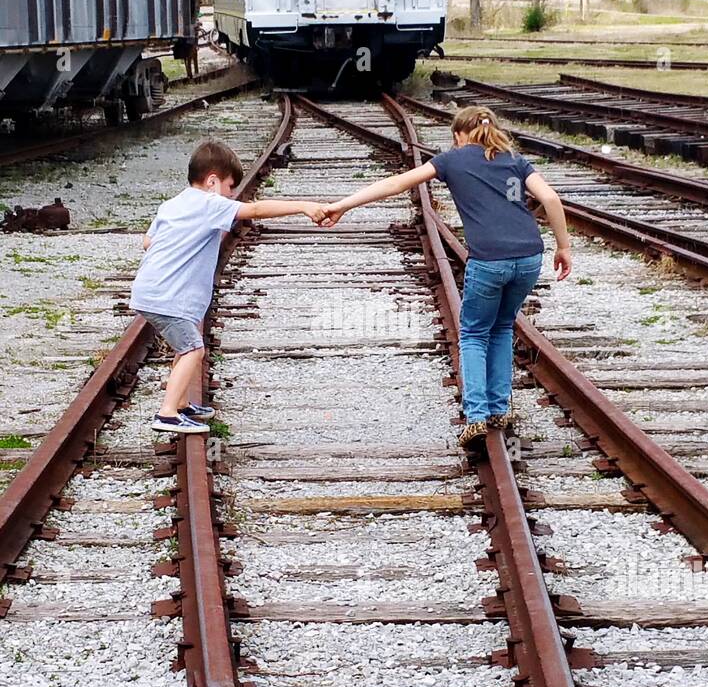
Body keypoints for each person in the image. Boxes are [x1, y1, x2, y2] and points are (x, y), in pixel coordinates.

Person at [322, 105, 572, 453]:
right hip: (529, 257)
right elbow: (550, 198)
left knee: (472, 333)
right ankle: (499, 409)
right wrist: (564, 248)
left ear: (458, 135)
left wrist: (343, 204)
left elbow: (396, 183)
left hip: (489, 260)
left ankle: (476, 416)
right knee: (501, 327)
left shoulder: (452, 160)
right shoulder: (514, 160)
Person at [130, 139, 327, 435]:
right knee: (192, 349)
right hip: (166, 297)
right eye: (230, 186)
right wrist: (302, 206)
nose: (232, 194)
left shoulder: (173, 204)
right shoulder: (210, 203)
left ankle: (181, 403)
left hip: (151, 292)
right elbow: (256, 210)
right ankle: (167, 413)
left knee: (183, 347)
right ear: (212, 181)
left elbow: (148, 242)